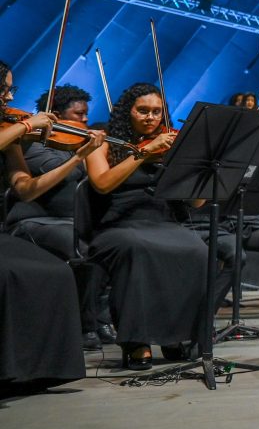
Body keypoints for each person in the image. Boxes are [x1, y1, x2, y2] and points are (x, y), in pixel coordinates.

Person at [84, 82, 206, 370]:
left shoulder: (169, 143)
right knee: (138, 250)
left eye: (156, 112)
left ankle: (176, 336)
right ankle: (136, 341)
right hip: (118, 225)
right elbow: (102, 184)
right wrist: (142, 155)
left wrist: (193, 165)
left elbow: (197, 204)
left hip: (163, 221)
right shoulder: (104, 143)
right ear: (128, 112)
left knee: (197, 250)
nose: (151, 118)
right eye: (143, 111)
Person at [0, 64, 85, 387]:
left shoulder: (11, 137)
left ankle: (33, 371)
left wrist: (77, 158)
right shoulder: (16, 130)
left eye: (11, 90)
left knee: (56, 272)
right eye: (4, 89)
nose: (9, 96)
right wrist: (24, 126)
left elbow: (25, 189)